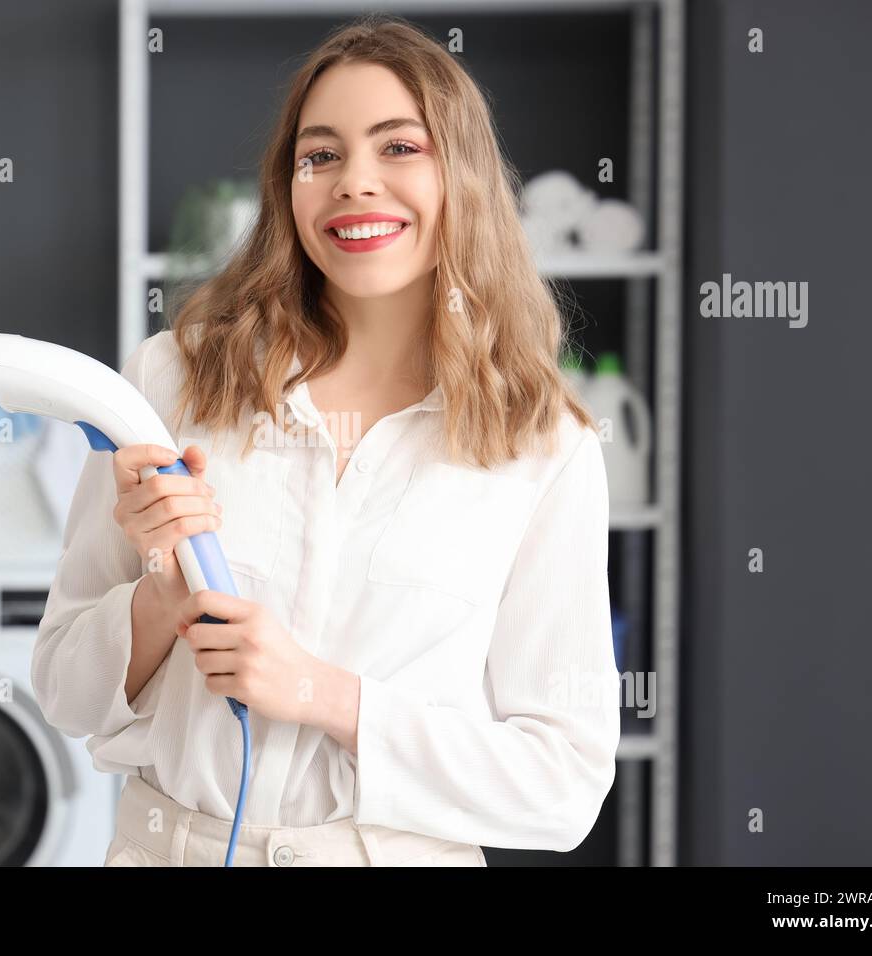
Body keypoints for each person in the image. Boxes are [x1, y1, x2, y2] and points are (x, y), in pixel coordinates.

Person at [33, 15, 620, 867]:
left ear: (462, 176)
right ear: (289, 186)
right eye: (322, 156)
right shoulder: (173, 380)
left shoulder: (543, 445)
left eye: (399, 148)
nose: (356, 183)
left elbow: (562, 790)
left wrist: (324, 695)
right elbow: (61, 690)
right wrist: (162, 597)